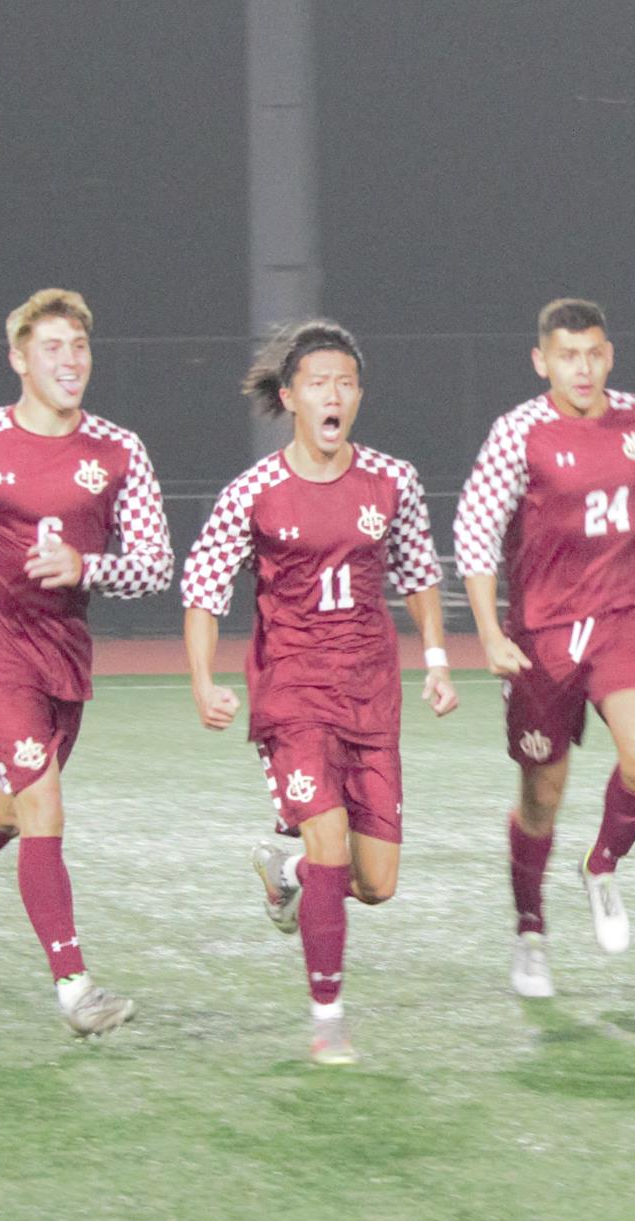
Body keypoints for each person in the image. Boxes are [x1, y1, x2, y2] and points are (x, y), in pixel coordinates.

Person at [0, 287, 174, 1037]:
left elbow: (153, 565)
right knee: (44, 803)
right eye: (52, 347)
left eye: (79, 347)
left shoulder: (119, 451)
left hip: (65, 660)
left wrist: (86, 566)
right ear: (19, 358)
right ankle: (76, 990)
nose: (69, 361)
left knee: (16, 810)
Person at [181, 320, 456, 1064]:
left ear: (358, 395)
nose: (332, 395)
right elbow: (202, 591)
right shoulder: (255, 493)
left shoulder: (392, 482)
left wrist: (434, 658)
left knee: (376, 883)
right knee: (329, 843)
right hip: (293, 694)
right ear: (290, 397)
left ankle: (287, 872)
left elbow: (420, 574)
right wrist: (204, 681)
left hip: (372, 695)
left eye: (344, 383)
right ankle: (327, 1017)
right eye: (317, 383)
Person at [451, 297, 635, 999]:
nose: (581, 369)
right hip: (543, 634)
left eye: (592, 354)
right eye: (566, 356)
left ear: (608, 355)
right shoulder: (518, 432)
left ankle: (602, 867)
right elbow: (474, 530)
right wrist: (490, 632)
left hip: (621, 615)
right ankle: (530, 930)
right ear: (541, 361)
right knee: (541, 798)